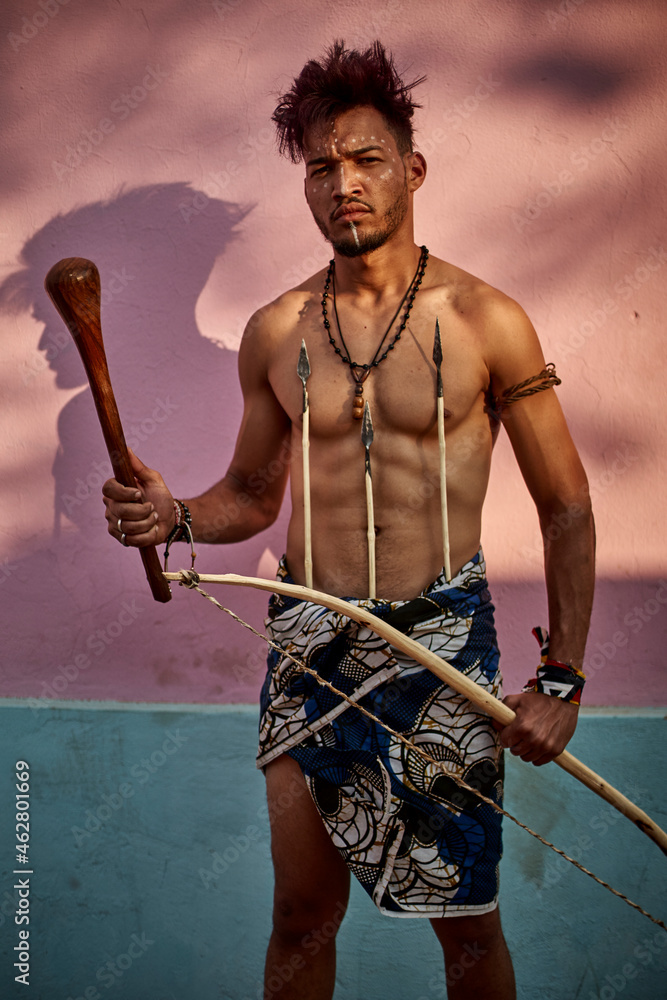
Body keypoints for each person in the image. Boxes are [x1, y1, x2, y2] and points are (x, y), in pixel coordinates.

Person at [102, 40, 595, 1000]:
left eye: (366, 160)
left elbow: (566, 505)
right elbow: (250, 497)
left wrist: (563, 680)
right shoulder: (278, 332)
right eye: (321, 168)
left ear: (411, 169)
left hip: (442, 650)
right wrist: (172, 515)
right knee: (298, 922)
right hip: (311, 644)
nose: (345, 184)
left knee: (462, 929)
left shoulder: (488, 320)